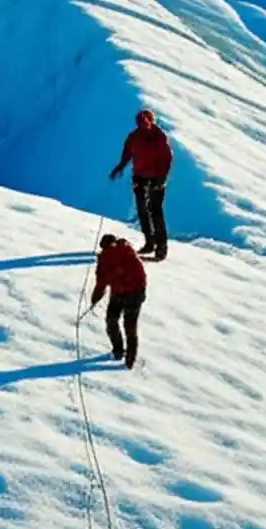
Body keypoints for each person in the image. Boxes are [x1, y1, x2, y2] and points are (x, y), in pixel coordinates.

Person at [110, 109, 173, 260]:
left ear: (151, 121)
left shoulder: (158, 137)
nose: (143, 125)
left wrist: (162, 177)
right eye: (140, 122)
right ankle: (150, 243)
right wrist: (120, 167)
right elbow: (127, 153)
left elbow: (167, 158)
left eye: (145, 121)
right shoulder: (135, 137)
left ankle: (161, 248)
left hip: (156, 178)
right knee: (143, 211)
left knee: (155, 211)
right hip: (140, 177)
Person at [90, 234, 147, 369]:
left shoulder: (105, 259)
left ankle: (118, 350)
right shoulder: (128, 250)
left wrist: (94, 299)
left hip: (118, 293)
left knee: (112, 320)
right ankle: (130, 359)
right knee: (131, 327)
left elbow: (101, 284)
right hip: (136, 292)